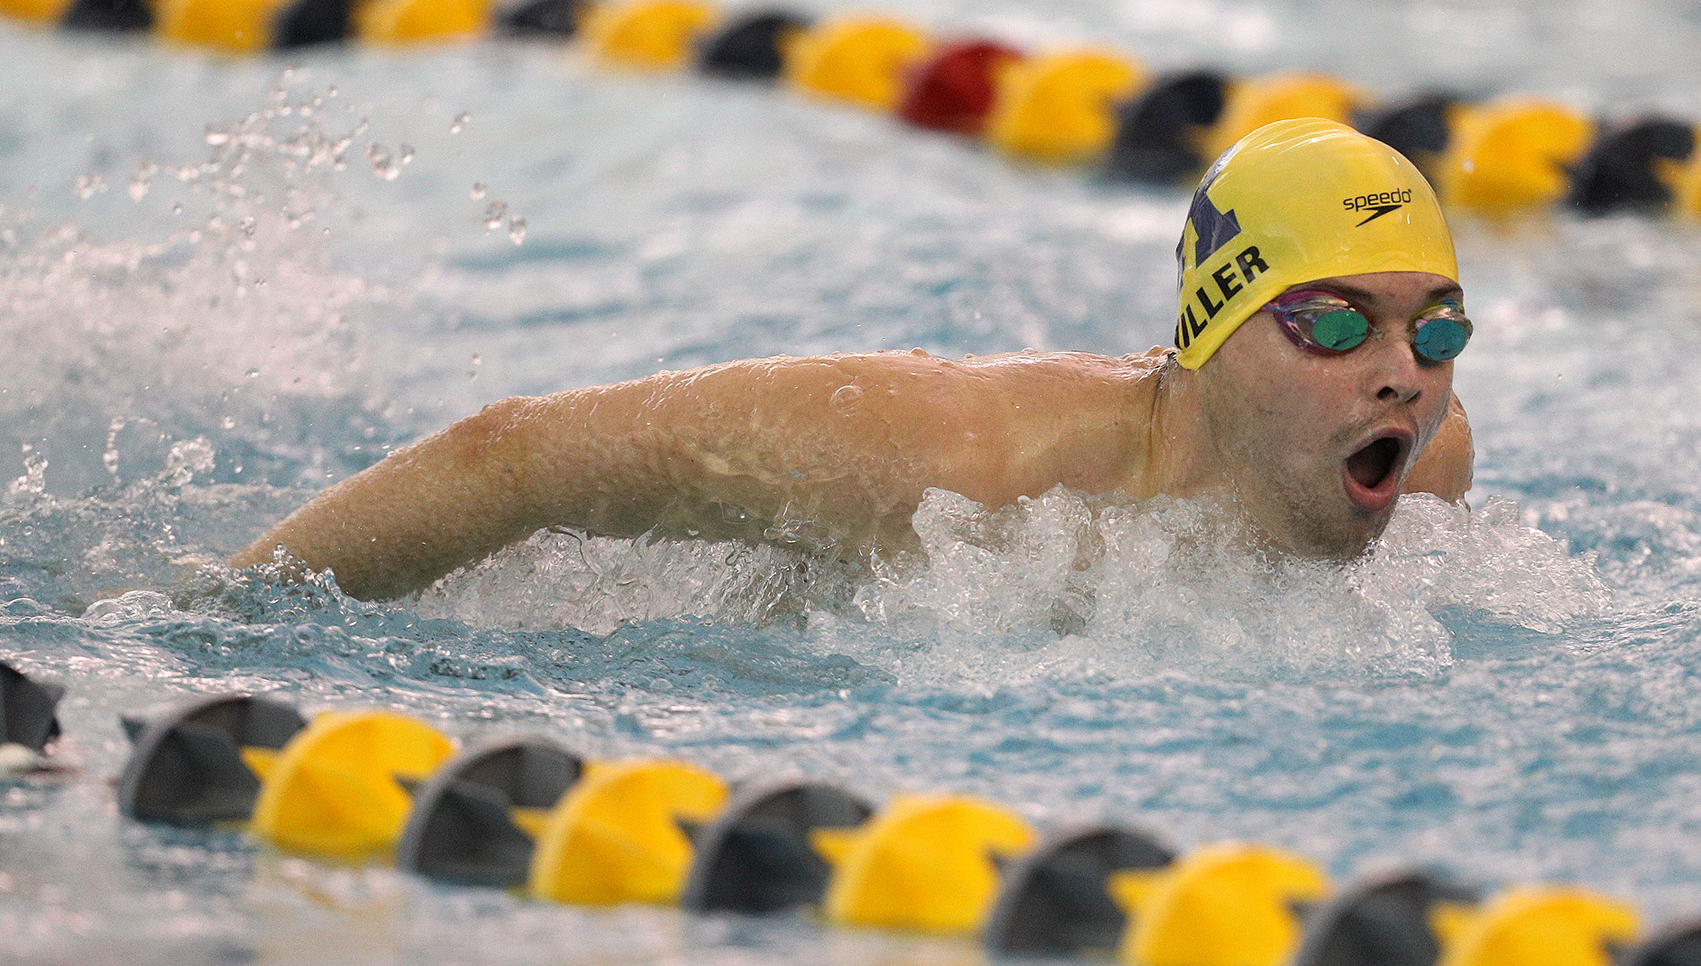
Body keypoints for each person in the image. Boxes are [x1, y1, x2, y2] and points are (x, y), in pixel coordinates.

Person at [231, 118, 1475, 601]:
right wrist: (210, 625)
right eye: (1331, 322)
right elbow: (511, 456)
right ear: (1206, 339)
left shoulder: (1422, 463)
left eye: (1435, 330)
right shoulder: (956, 463)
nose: (1401, 378)